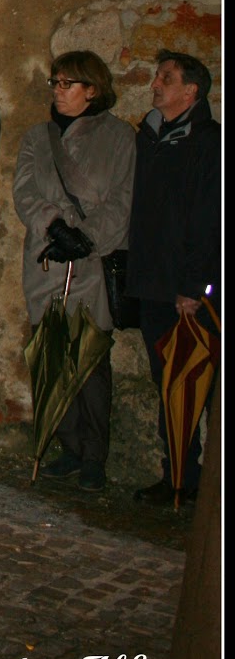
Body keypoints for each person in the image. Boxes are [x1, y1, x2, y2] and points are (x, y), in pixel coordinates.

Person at [12, 51, 135, 492]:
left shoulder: (119, 137)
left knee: (90, 358)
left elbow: (122, 198)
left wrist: (85, 238)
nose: (58, 91)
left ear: (92, 90)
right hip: (47, 257)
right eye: (56, 83)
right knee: (49, 353)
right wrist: (54, 227)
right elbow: (25, 190)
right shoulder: (37, 137)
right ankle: (66, 444)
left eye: (68, 84)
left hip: (92, 262)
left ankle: (94, 456)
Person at [126, 50, 220, 505]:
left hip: (187, 290)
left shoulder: (209, 143)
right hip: (154, 284)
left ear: (191, 91)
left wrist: (193, 286)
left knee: (197, 383)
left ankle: (201, 481)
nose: (155, 84)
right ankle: (179, 474)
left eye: (166, 77)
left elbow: (208, 218)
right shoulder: (150, 136)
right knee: (167, 383)